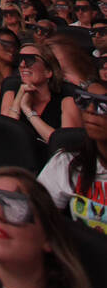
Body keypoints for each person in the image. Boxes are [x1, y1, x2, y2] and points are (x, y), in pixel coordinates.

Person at [38, 80, 107, 237]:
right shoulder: (66, 162)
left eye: (102, 104)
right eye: (85, 100)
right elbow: (37, 220)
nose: (90, 110)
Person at [0, 41, 80, 142]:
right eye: (20, 59)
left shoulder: (66, 99)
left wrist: (28, 110)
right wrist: (18, 99)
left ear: (48, 71)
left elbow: (63, 143)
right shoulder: (11, 93)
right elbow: (5, 136)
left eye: (30, 60)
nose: (22, 64)